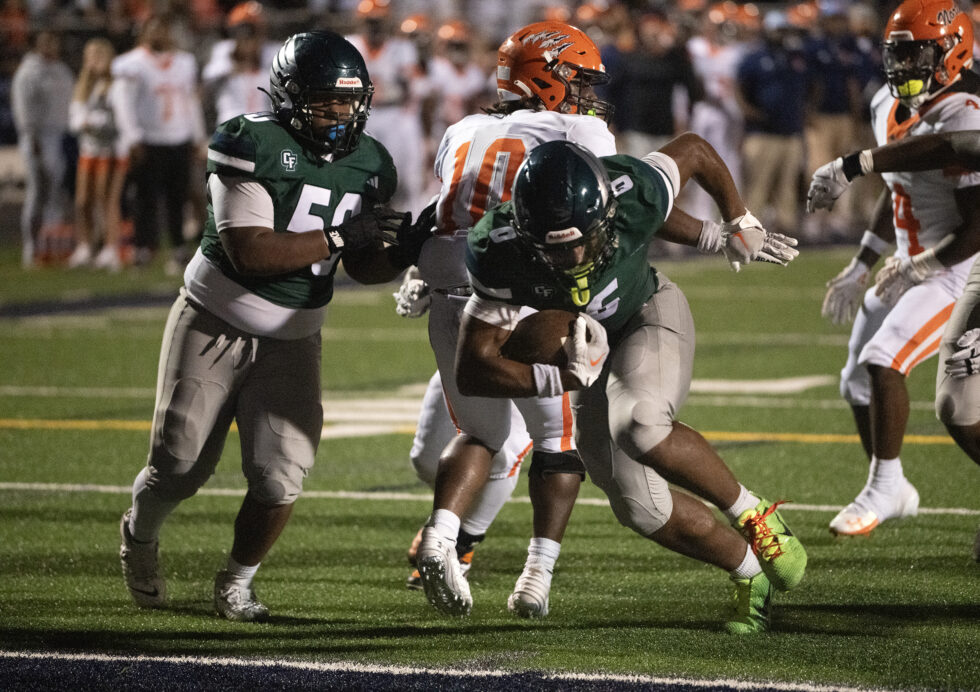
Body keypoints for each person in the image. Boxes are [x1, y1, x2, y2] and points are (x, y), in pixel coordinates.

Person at [118, 30, 421, 622]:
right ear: (288, 95)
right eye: (325, 100)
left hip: (295, 335)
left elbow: (363, 266)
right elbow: (250, 252)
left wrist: (404, 249)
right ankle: (139, 534)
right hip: (214, 320)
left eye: (349, 101)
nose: (339, 113)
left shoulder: (371, 163)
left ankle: (237, 581)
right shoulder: (249, 140)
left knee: (281, 475)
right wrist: (340, 236)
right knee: (178, 465)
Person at [455, 137, 802, 634]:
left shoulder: (630, 188)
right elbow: (473, 369)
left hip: (646, 312)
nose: (576, 255)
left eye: (585, 239)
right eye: (559, 248)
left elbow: (695, 151)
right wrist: (559, 377)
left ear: (606, 212)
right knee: (641, 507)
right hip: (585, 349)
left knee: (639, 422)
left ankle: (755, 515)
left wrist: (735, 220)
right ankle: (750, 572)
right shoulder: (497, 248)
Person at [411, 21, 615, 620]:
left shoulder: (461, 129)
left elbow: (446, 211)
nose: (586, 95)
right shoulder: (579, 131)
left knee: (481, 435)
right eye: (577, 80)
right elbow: (599, 214)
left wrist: (421, 270)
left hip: (449, 293)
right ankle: (535, 578)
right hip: (521, 289)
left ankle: (443, 539)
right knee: (558, 438)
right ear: (546, 78)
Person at [804, 0, 980, 538]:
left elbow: (977, 225)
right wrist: (862, 262)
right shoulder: (887, 102)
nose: (903, 66)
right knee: (855, 382)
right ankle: (891, 483)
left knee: (889, 363)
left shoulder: (966, 110)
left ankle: (882, 487)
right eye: (897, 54)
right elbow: (898, 187)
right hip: (909, 264)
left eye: (916, 54)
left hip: (958, 266)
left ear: (952, 51)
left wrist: (920, 266)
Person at [112, 13, 207, 271]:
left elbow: (191, 101)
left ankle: (178, 247)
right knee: (146, 198)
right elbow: (123, 103)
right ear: (143, 33)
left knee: (179, 198)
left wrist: (197, 136)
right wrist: (132, 137)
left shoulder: (184, 62)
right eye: (153, 29)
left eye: (162, 29)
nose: (158, 34)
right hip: (148, 139)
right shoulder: (131, 63)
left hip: (179, 137)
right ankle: (143, 247)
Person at [735, 9, 814, 237]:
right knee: (758, 184)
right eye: (777, 30)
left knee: (788, 185)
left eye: (783, 30)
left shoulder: (796, 57)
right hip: (762, 132)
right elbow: (739, 87)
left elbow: (813, 84)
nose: (781, 35)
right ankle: (751, 229)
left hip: (790, 131)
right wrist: (749, 112)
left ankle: (786, 228)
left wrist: (806, 110)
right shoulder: (754, 57)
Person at [10, 28, 74, 268]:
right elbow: (23, 108)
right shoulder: (28, 73)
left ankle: (52, 246)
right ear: (36, 45)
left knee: (57, 193)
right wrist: (32, 137)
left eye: (53, 42)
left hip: (61, 135)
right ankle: (31, 246)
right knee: (38, 192)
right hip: (38, 135)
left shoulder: (62, 70)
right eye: (45, 42)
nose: (50, 46)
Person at [67, 38, 128, 271]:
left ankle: (111, 248)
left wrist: (91, 122)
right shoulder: (84, 85)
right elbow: (74, 116)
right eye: (89, 56)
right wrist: (83, 122)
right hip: (88, 149)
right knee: (82, 201)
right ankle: (85, 246)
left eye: (97, 56)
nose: (93, 61)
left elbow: (118, 119)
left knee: (107, 200)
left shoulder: (116, 85)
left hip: (110, 149)